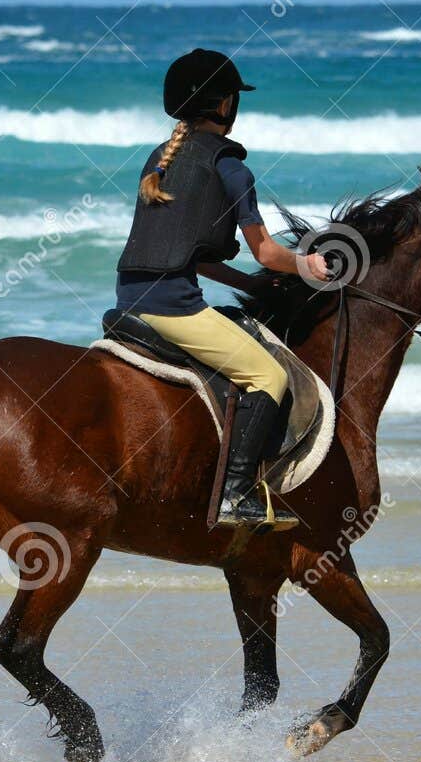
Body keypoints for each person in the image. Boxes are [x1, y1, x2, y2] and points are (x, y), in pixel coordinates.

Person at [114, 48, 329, 529]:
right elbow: (267, 252)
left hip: (129, 299)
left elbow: (187, 255)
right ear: (226, 104)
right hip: (174, 308)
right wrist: (308, 265)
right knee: (268, 376)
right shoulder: (230, 167)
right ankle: (236, 494)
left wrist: (250, 285)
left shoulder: (159, 159)